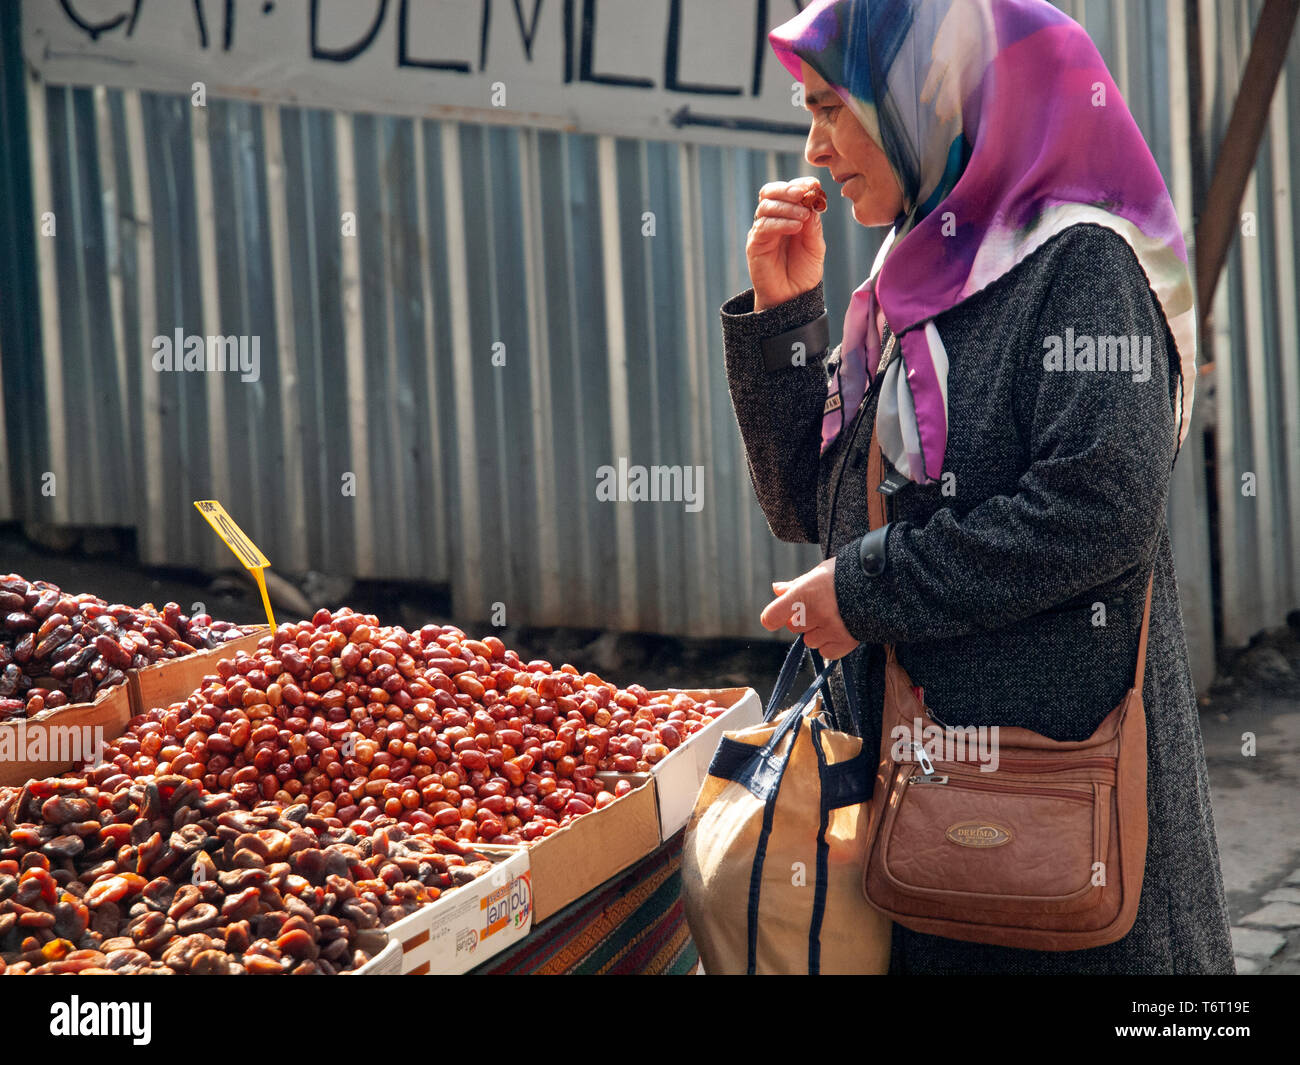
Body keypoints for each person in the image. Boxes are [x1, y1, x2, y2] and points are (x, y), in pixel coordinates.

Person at [720, 0, 1234, 974]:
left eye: (833, 109)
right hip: (922, 834)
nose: (816, 148)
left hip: (1058, 843)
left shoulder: (1082, 267)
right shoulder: (919, 278)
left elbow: (1097, 511)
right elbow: (811, 513)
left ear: (931, 97)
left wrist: (869, 592)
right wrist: (786, 323)